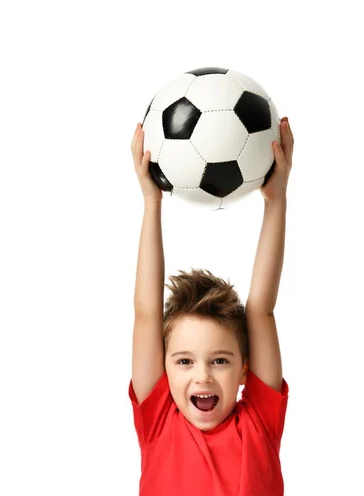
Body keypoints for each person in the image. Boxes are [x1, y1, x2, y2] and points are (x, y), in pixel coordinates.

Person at [129, 116, 294, 495]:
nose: (202, 375)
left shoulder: (259, 424)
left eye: (220, 360)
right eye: (184, 360)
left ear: (243, 371)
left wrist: (276, 200)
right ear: (164, 368)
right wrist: (151, 202)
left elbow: (260, 309)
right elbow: (147, 315)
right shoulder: (158, 422)